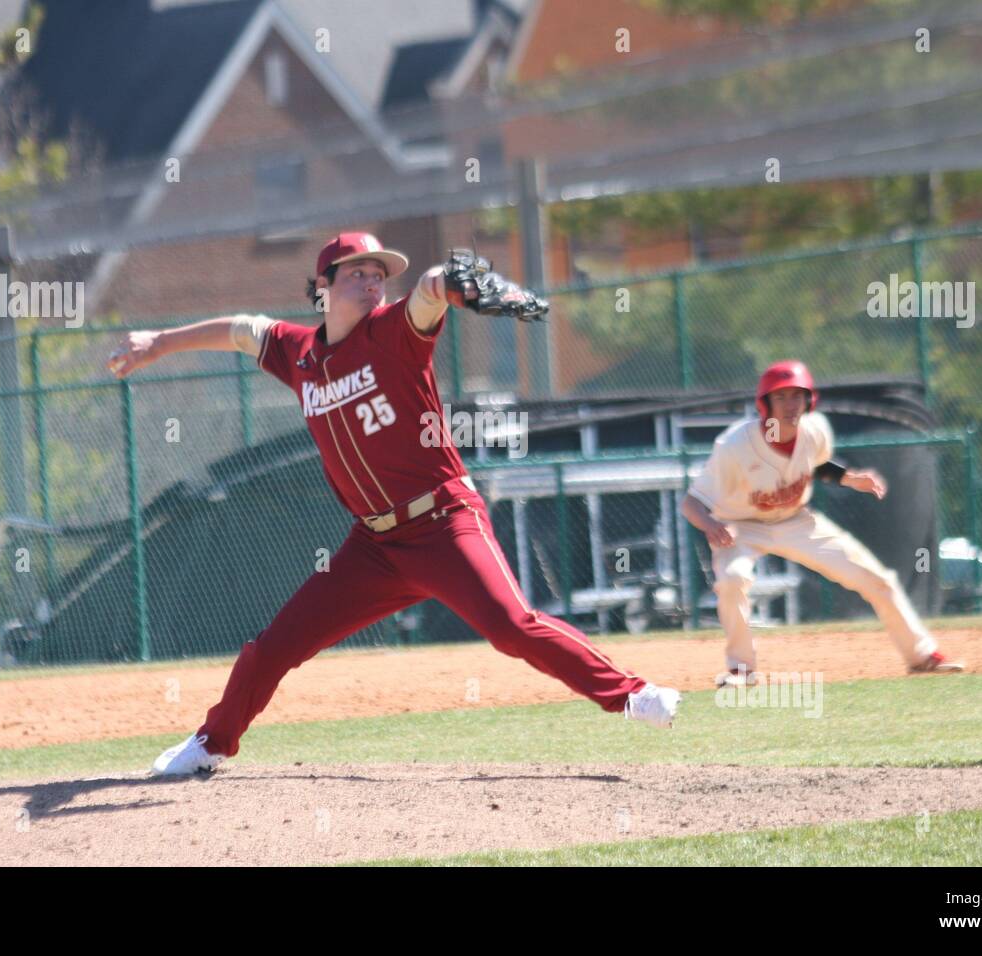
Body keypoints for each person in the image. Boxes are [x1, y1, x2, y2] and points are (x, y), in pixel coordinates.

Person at [106, 232, 682, 775]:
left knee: (511, 627)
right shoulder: (297, 352)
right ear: (323, 286)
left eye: (378, 274)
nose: (372, 282)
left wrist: (447, 280)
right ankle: (210, 744)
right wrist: (160, 343)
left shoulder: (392, 333)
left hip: (444, 521)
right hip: (374, 547)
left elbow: (430, 291)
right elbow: (238, 330)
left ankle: (631, 694)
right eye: (357, 272)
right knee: (273, 646)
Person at [678, 359, 965, 686]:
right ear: (765, 403)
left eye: (797, 396)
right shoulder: (734, 446)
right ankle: (741, 669)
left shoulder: (816, 431)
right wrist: (710, 524)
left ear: (809, 400)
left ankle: (922, 656)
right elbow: (691, 502)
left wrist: (848, 478)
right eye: (781, 397)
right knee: (732, 579)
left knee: (877, 578)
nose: (790, 405)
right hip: (741, 526)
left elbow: (813, 465)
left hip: (795, 521)